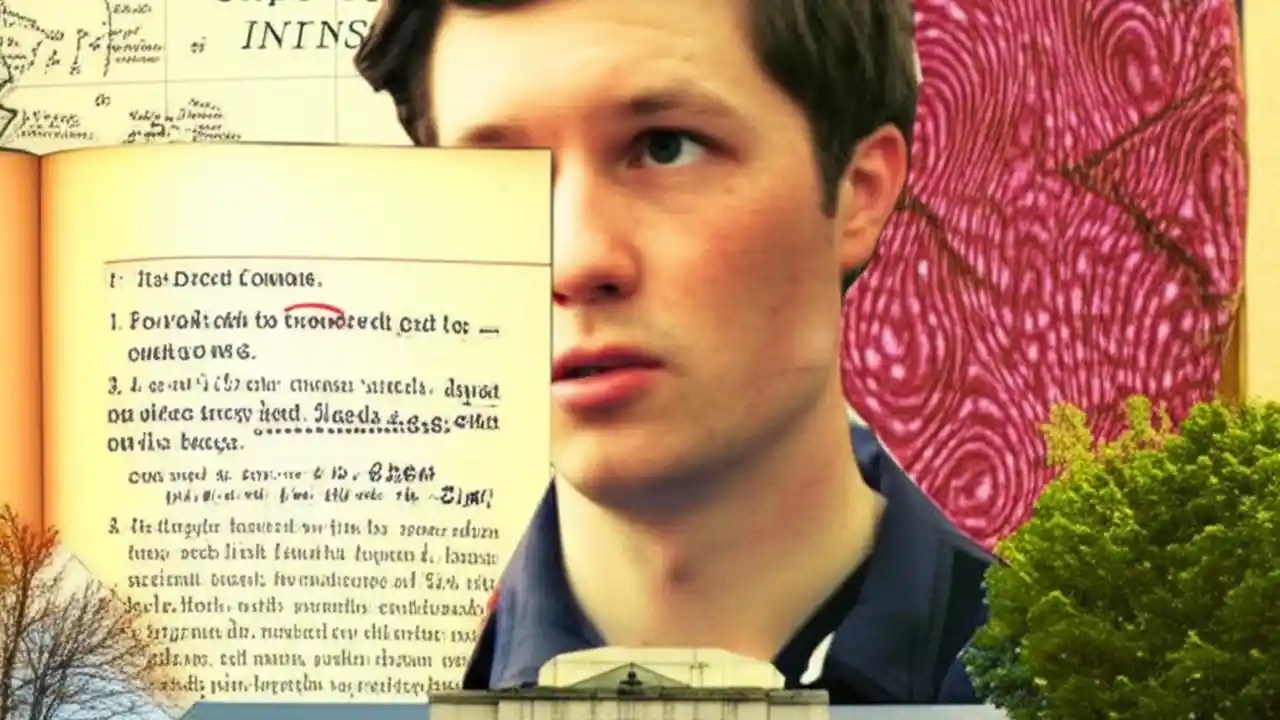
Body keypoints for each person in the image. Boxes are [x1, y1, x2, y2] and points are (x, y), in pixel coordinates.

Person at [354, 0, 996, 705]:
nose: (573, 260)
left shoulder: (1083, 681)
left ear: (858, 191)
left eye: (665, 147)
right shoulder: (344, 688)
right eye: (500, 178)